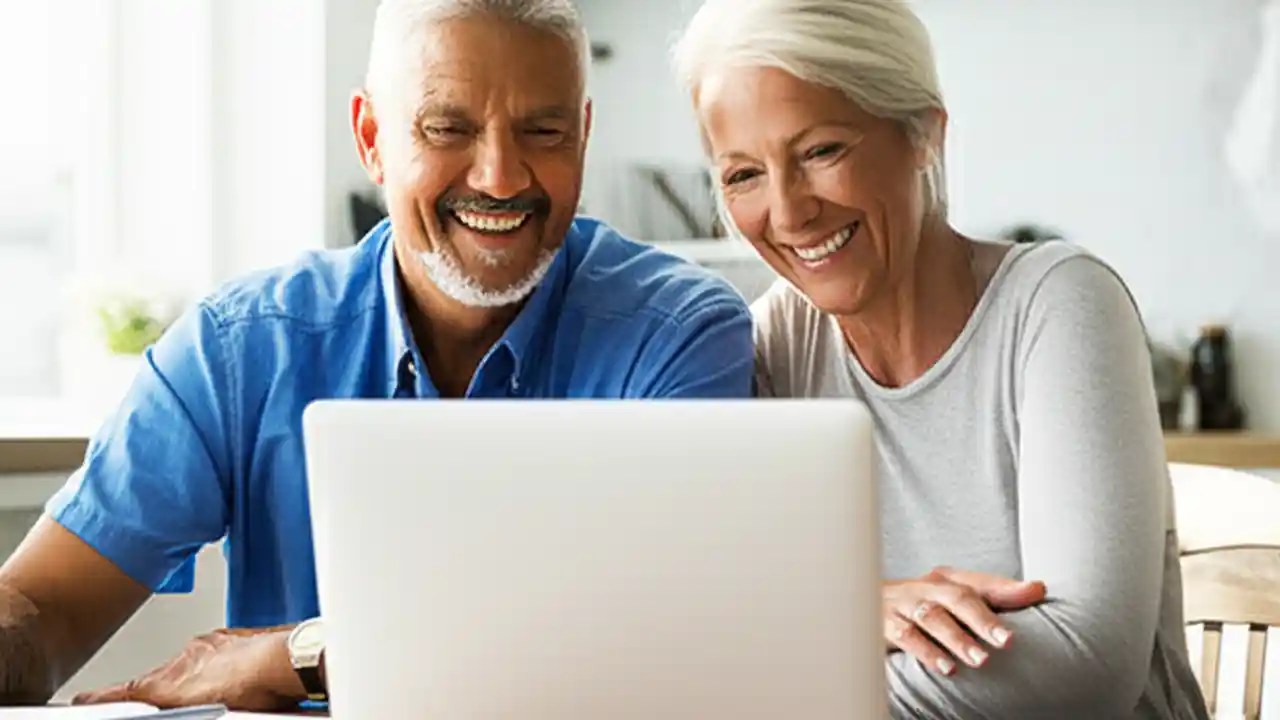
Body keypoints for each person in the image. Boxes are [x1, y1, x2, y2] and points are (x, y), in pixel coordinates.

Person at [0, 0, 753, 710]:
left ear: (583, 134)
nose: (500, 176)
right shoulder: (240, 350)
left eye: (543, 132)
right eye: (447, 129)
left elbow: (653, 641)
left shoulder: (676, 335)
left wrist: (294, 654)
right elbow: (43, 609)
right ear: (371, 139)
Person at [674, 0, 1209, 717]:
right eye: (743, 175)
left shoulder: (1058, 303)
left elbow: (1087, 665)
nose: (789, 213)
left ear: (923, 133)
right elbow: (723, 625)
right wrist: (852, 612)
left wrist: (803, 669)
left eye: (821, 152)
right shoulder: (772, 344)